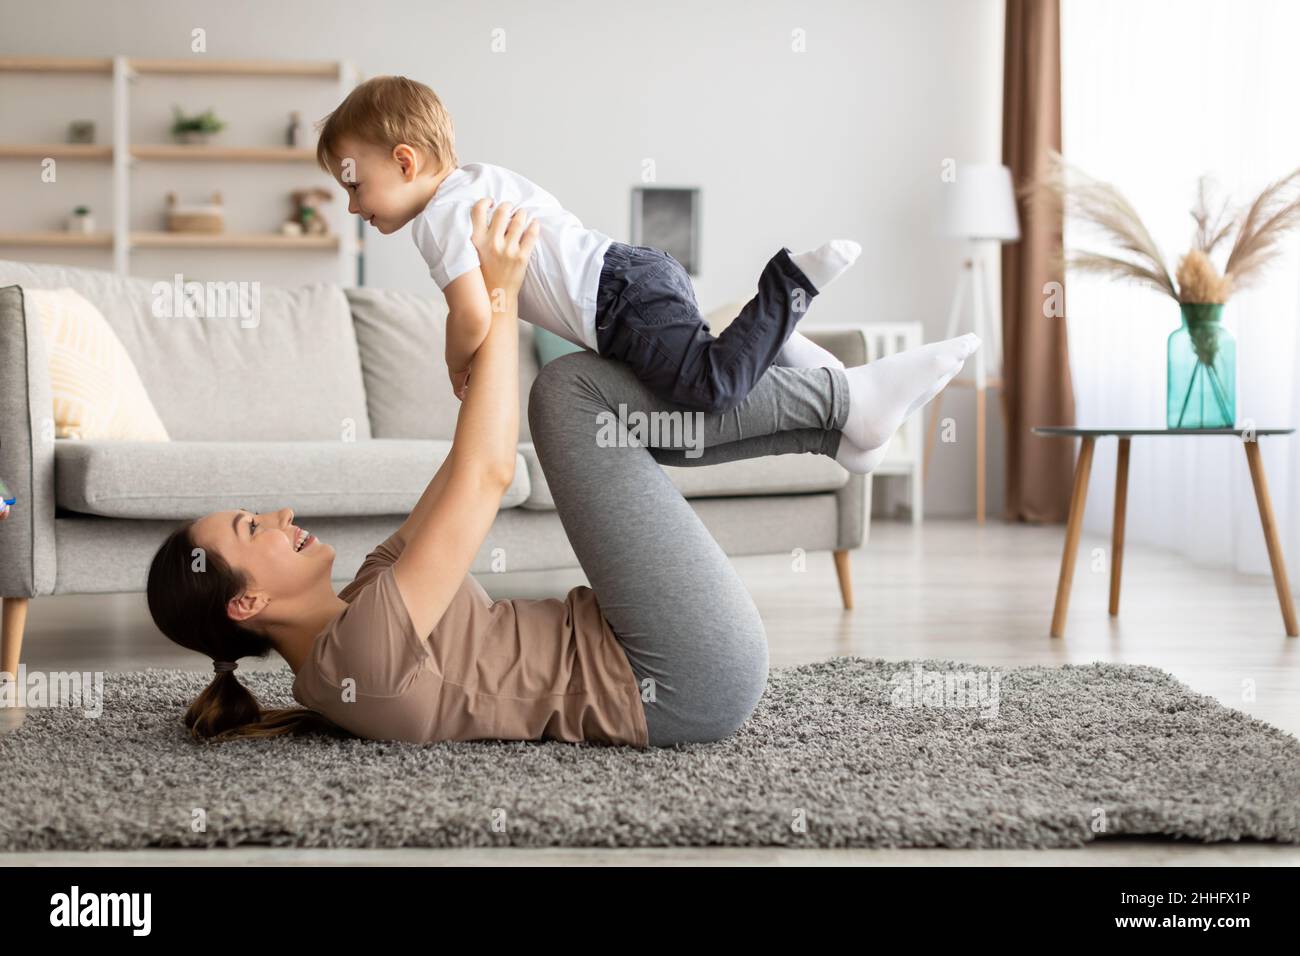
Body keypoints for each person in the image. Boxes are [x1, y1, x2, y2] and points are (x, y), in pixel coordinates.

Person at [146, 198, 976, 748]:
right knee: (570, 391)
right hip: (680, 676)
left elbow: (465, 469)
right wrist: (501, 298)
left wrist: (469, 350)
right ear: (245, 602)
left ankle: (831, 414)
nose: (278, 513)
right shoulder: (354, 658)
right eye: (253, 528)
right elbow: (487, 476)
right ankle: (830, 403)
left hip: (650, 646)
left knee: (584, 391)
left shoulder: (363, 605)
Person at [312, 75, 936, 473]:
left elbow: (474, 313)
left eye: (353, 183)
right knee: (669, 434)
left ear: (403, 161)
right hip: (630, 279)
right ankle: (819, 396)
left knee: (709, 391)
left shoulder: (437, 219)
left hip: (616, 302)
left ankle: (788, 288)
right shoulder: (478, 178)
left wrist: (455, 361)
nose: (353, 205)